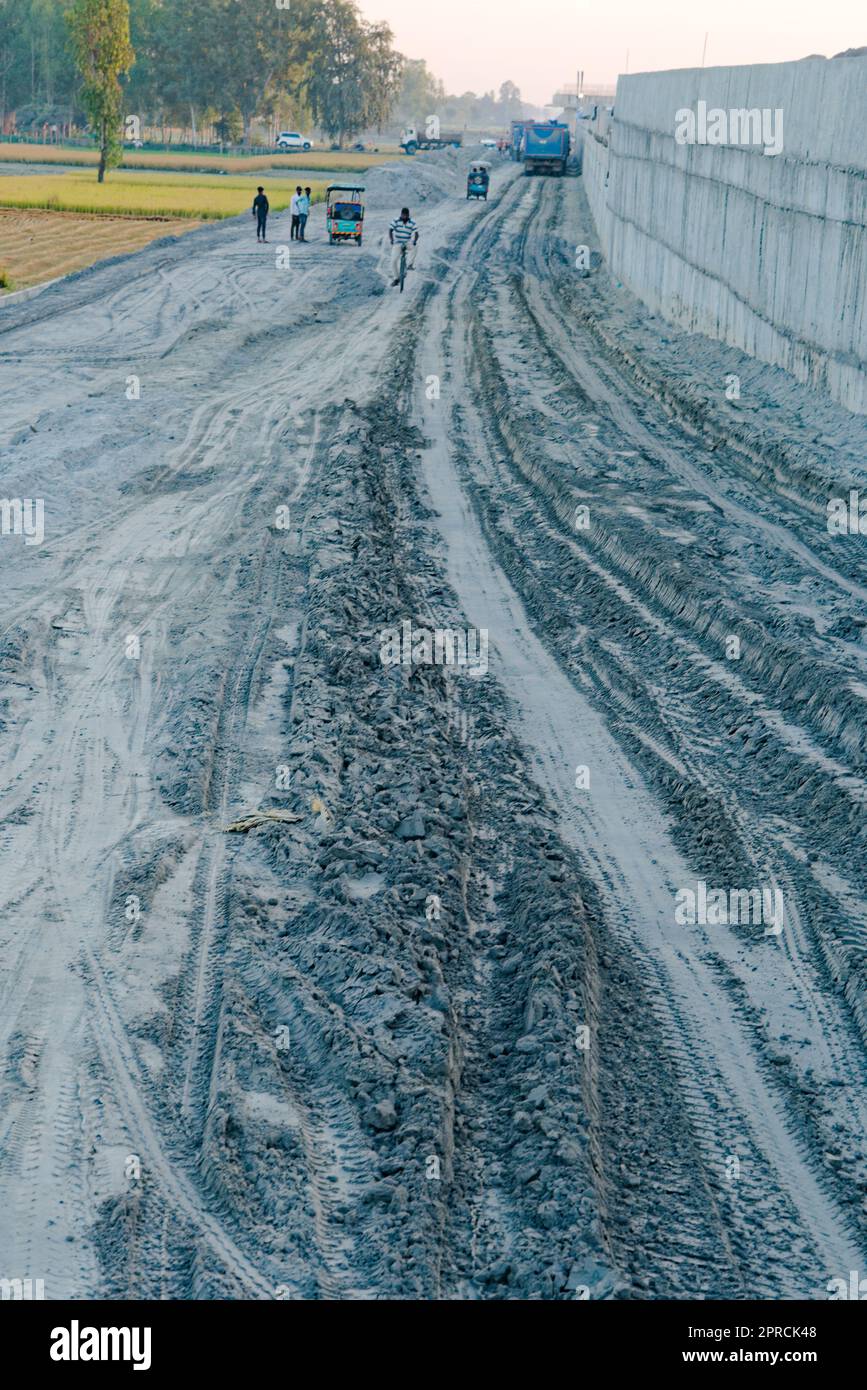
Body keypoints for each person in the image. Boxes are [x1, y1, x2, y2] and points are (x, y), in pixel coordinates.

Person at [388, 207, 418, 285]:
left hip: (407, 242)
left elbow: (416, 233)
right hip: (397, 243)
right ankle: (396, 278)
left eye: (406, 216)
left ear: (408, 215)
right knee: (393, 261)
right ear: (401, 214)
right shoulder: (396, 220)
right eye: (403, 215)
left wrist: (414, 241)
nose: (404, 217)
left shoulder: (412, 222)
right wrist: (391, 239)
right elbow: (390, 230)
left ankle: (409, 265)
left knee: (415, 248)